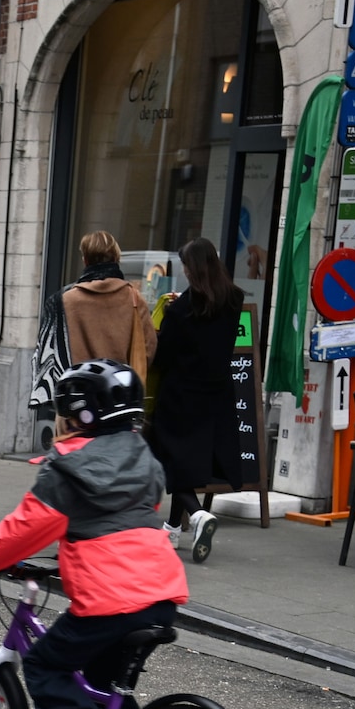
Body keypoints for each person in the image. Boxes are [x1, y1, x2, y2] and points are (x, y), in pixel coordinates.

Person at [0, 358, 188, 709]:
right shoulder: (144, 458)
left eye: (67, 412)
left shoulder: (69, 469)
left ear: (83, 414)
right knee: (100, 684)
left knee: (43, 665)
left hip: (110, 600)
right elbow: (127, 523)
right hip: (162, 595)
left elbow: (23, 530)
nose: (63, 421)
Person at [144, 238, 244, 560]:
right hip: (216, 394)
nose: (184, 271)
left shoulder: (181, 310)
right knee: (188, 461)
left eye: (185, 266)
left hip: (181, 396)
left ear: (193, 268)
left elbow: (165, 354)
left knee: (167, 456)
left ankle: (198, 515)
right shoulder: (233, 300)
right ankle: (172, 530)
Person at [61, 230, 150, 384]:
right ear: (116, 258)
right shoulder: (134, 299)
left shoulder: (67, 300)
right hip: (120, 393)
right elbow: (147, 348)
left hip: (78, 392)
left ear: (85, 261)